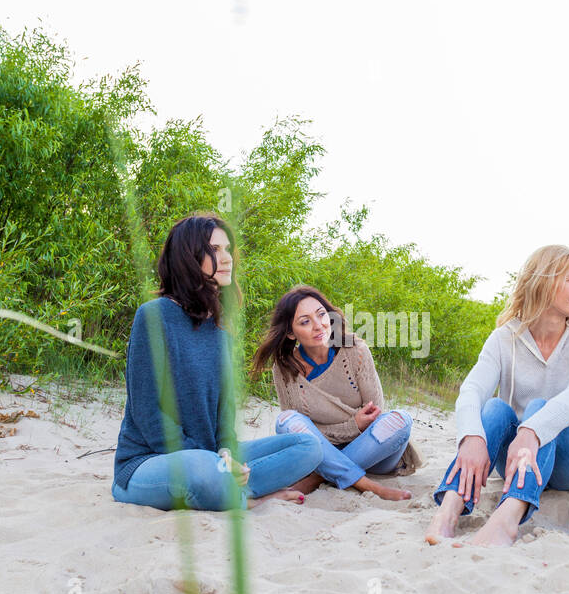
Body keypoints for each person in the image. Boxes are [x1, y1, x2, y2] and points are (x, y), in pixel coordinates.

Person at [112, 213, 323, 511]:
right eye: (215, 249)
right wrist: (216, 462)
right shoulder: (153, 316)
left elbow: (225, 415)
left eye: (227, 250)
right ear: (188, 256)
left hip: (213, 459)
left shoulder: (221, 332)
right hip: (149, 463)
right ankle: (246, 498)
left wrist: (226, 453)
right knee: (202, 470)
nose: (226, 259)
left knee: (308, 447)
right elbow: (148, 415)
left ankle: (230, 488)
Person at [423, 244, 569, 547]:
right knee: (493, 409)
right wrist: (471, 437)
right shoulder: (505, 337)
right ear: (544, 280)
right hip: (521, 460)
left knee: (538, 408)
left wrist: (531, 430)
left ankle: (508, 517)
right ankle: (450, 508)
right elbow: (472, 390)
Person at [251, 286, 423, 501]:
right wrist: (353, 425)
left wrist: (352, 428)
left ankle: (316, 479)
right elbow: (296, 436)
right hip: (322, 453)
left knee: (400, 419)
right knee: (287, 420)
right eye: (305, 321)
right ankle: (365, 484)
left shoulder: (355, 350)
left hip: (375, 454)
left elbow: (375, 417)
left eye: (321, 315)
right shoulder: (286, 368)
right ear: (290, 333)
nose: (319, 325)